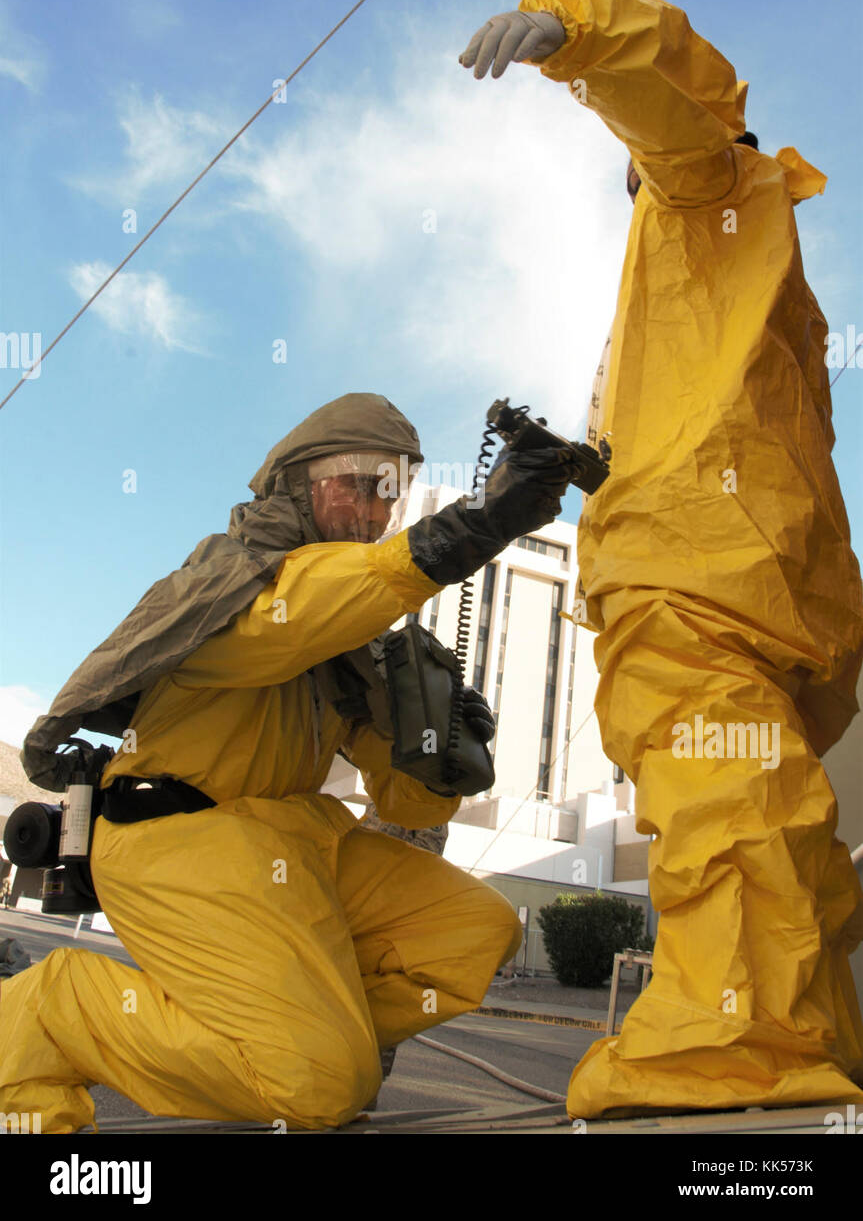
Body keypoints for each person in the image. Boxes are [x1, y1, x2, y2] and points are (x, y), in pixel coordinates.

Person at [460, 0, 863, 1119]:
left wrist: (579, 34)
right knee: (787, 839)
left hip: (696, 578)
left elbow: (689, 107)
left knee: (737, 816)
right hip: (758, 586)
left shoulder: (705, 198)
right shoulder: (729, 273)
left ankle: (726, 1073)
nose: (631, 167)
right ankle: (806, 1043)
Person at [0, 392, 575, 1134]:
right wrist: (471, 528)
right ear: (299, 484)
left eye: (392, 495)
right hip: (178, 842)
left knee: (467, 933)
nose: (375, 512)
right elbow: (292, 615)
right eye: (359, 485)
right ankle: (53, 1007)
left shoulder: (353, 639)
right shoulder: (226, 582)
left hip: (294, 841)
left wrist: (439, 752)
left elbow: (407, 807)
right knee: (317, 1085)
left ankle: (304, 1046)